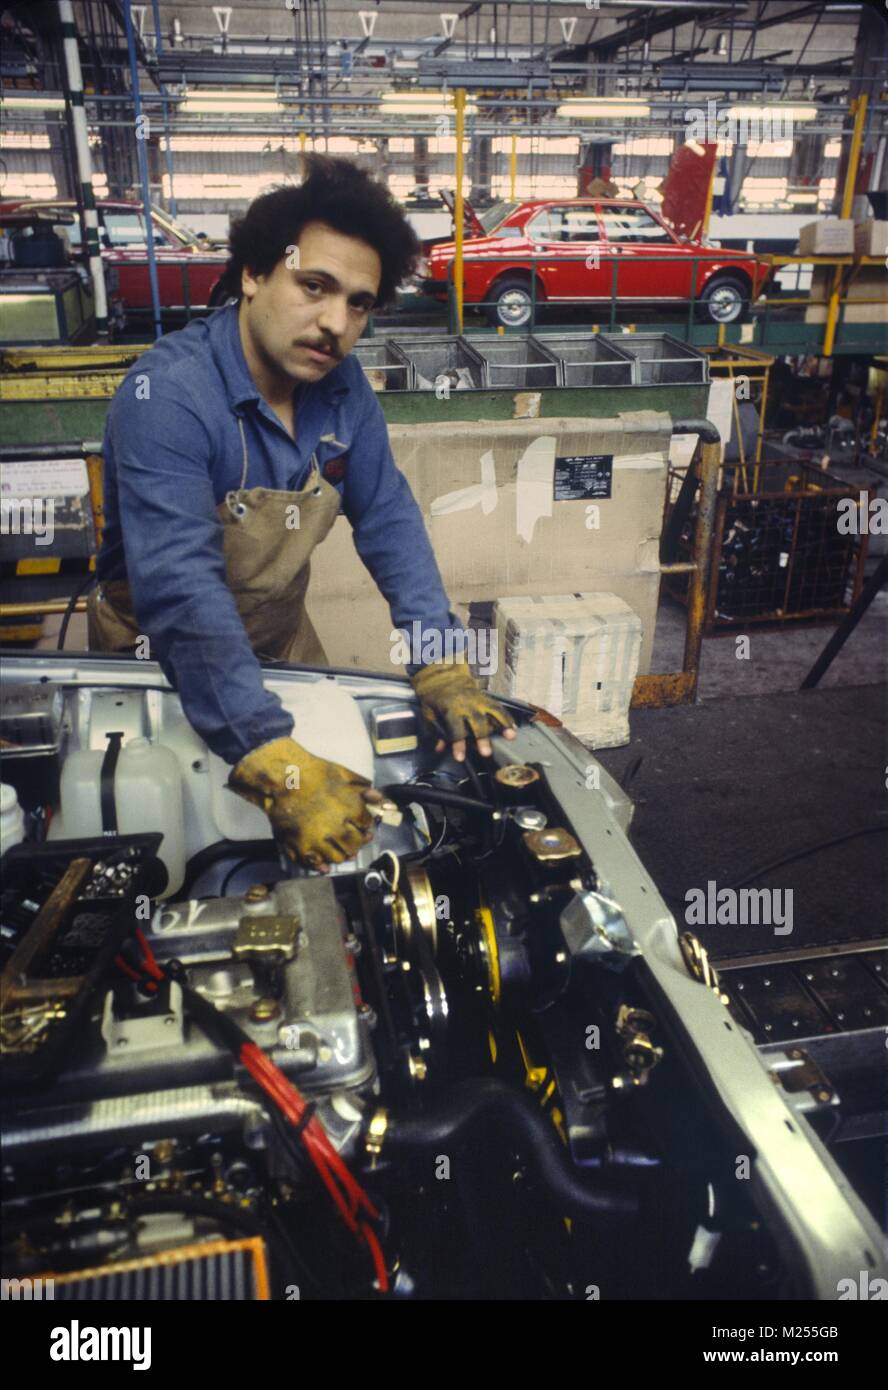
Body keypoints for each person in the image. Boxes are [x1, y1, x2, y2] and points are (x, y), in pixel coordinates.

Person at [88, 155, 515, 871]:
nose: (334, 324)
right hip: (160, 661)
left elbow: (388, 519)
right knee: (173, 846)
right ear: (254, 273)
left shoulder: (342, 391)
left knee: (337, 843)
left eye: (358, 303)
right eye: (314, 287)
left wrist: (440, 661)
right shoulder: (167, 398)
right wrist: (268, 754)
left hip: (282, 643)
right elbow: (183, 592)